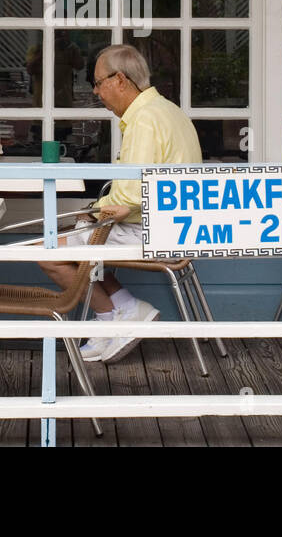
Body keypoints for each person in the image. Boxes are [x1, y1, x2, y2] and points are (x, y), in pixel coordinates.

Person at [38, 44, 202, 364]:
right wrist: (93, 211)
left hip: (154, 234)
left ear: (121, 80)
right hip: (177, 229)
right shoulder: (167, 110)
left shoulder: (144, 120)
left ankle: (113, 317)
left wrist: (92, 211)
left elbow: (126, 197)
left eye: (98, 82)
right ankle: (121, 312)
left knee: (48, 252)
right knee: (78, 236)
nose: (96, 91)